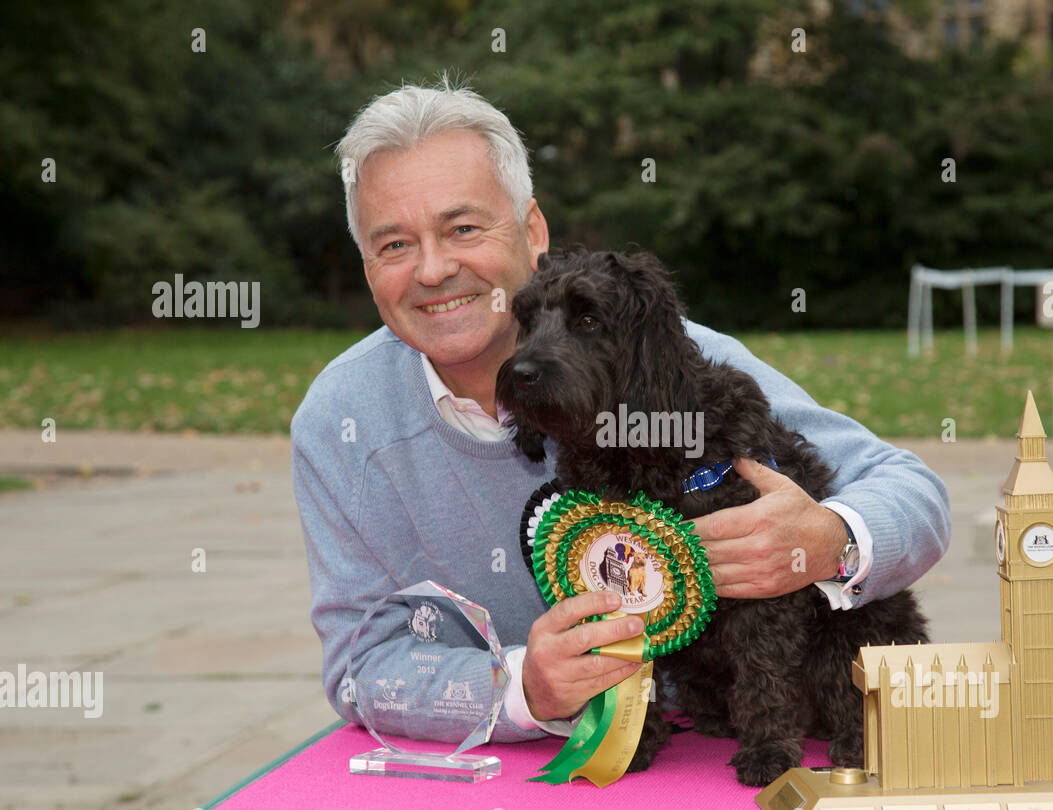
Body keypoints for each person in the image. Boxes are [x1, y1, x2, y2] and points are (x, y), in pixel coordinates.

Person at [290, 78, 951, 745]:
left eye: (462, 228)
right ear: (366, 265)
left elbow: (915, 494)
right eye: (394, 244)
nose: (433, 270)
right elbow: (361, 666)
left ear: (531, 230)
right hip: (525, 783)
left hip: (722, 750)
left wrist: (830, 541)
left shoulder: (668, 361)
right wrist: (519, 687)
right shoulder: (341, 422)